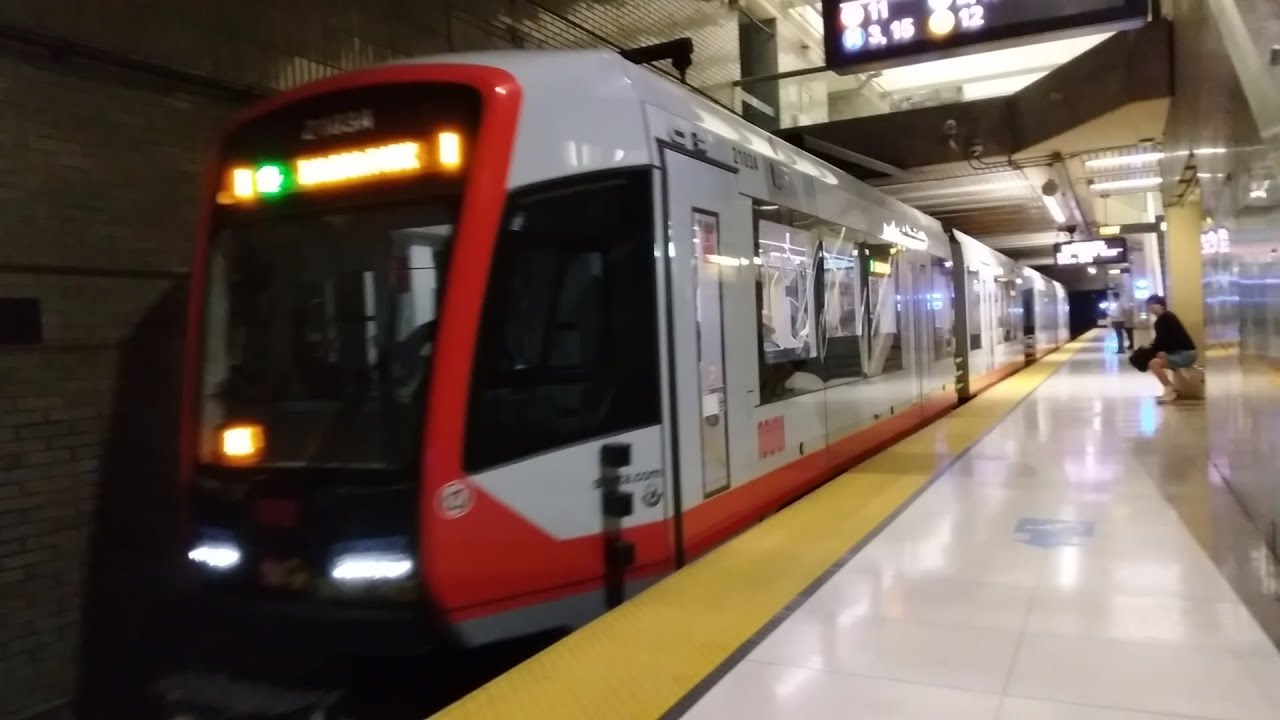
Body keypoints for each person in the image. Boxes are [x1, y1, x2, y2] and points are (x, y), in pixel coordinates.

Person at [1142, 294, 1197, 404]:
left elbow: (1166, 339)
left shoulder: (1165, 318)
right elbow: (1163, 340)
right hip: (1184, 352)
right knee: (1154, 360)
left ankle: (1170, 389)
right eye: (1149, 305)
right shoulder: (1166, 317)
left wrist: (1162, 352)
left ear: (1162, 305)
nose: (1151, 307)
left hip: (1185, 354)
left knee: (1154, 364)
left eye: (1154, 304)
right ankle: (1171, 389)